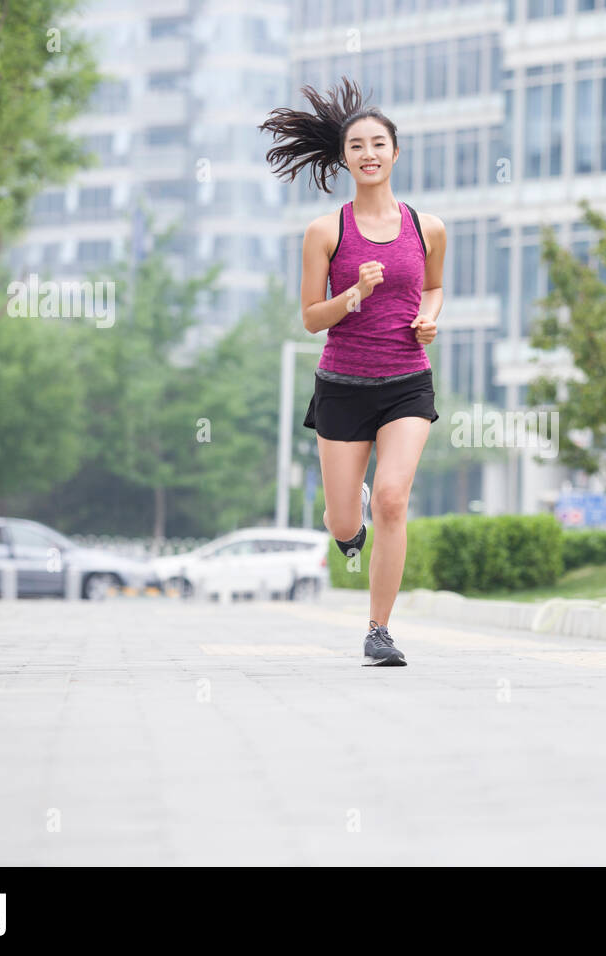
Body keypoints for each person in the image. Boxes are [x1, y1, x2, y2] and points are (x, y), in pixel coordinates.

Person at [260, 77, 444, 667]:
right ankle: (345, 520)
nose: (369, 154)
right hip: (342, 384)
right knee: (345, 522)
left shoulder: (427, 227)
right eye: (357, 145)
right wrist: (354, 296)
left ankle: (379, 631)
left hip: (406, 382)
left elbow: (434, 287)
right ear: (344, 157)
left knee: (392, 500)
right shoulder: (326, 231)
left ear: (395, 152)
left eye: (378, 144)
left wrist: (429, 318)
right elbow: (312, 318)